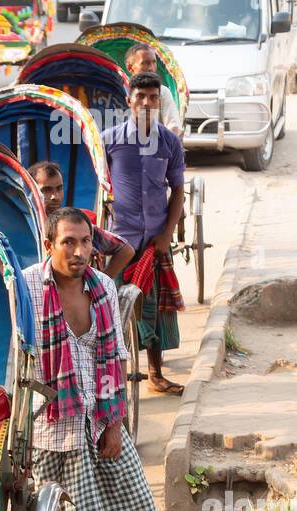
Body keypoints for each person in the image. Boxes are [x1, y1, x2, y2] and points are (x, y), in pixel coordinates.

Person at [24, 207, 237, 511]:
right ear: (49, 245)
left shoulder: (102, 287)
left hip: (101, 417)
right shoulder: (27, 288)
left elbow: (115, 358)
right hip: (50, 427)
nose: (79, 251)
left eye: (85, 241)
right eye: (68, 242)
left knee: (138, 499)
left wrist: (114, 424)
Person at [104, 73, 186, 396]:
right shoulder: (109, 140)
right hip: (120, 242)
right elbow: (99, 185)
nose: (148, 104)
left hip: (154, 242)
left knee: (154, 311)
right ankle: (116, 381)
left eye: (154, 98)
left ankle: (155, 373)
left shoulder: (170, 143)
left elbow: (178, 191)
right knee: (114, 311)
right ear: (129, 101)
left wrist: (166, 236)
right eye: (141, 97)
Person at [28, 160, 135, 281]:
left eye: (59, 189)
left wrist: (100, 283)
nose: (55, 196)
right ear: (32, 191)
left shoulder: (76, 224)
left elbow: (126, 250)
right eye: (46, 190)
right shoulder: (23, 226)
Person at [124, 43, 183, 134]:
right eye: (145, 63)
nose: (151, 68)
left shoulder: (163, 91)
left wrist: (168, 144)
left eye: (154, 62)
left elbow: (173, 125)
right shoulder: (122, 89)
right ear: (130, 68)